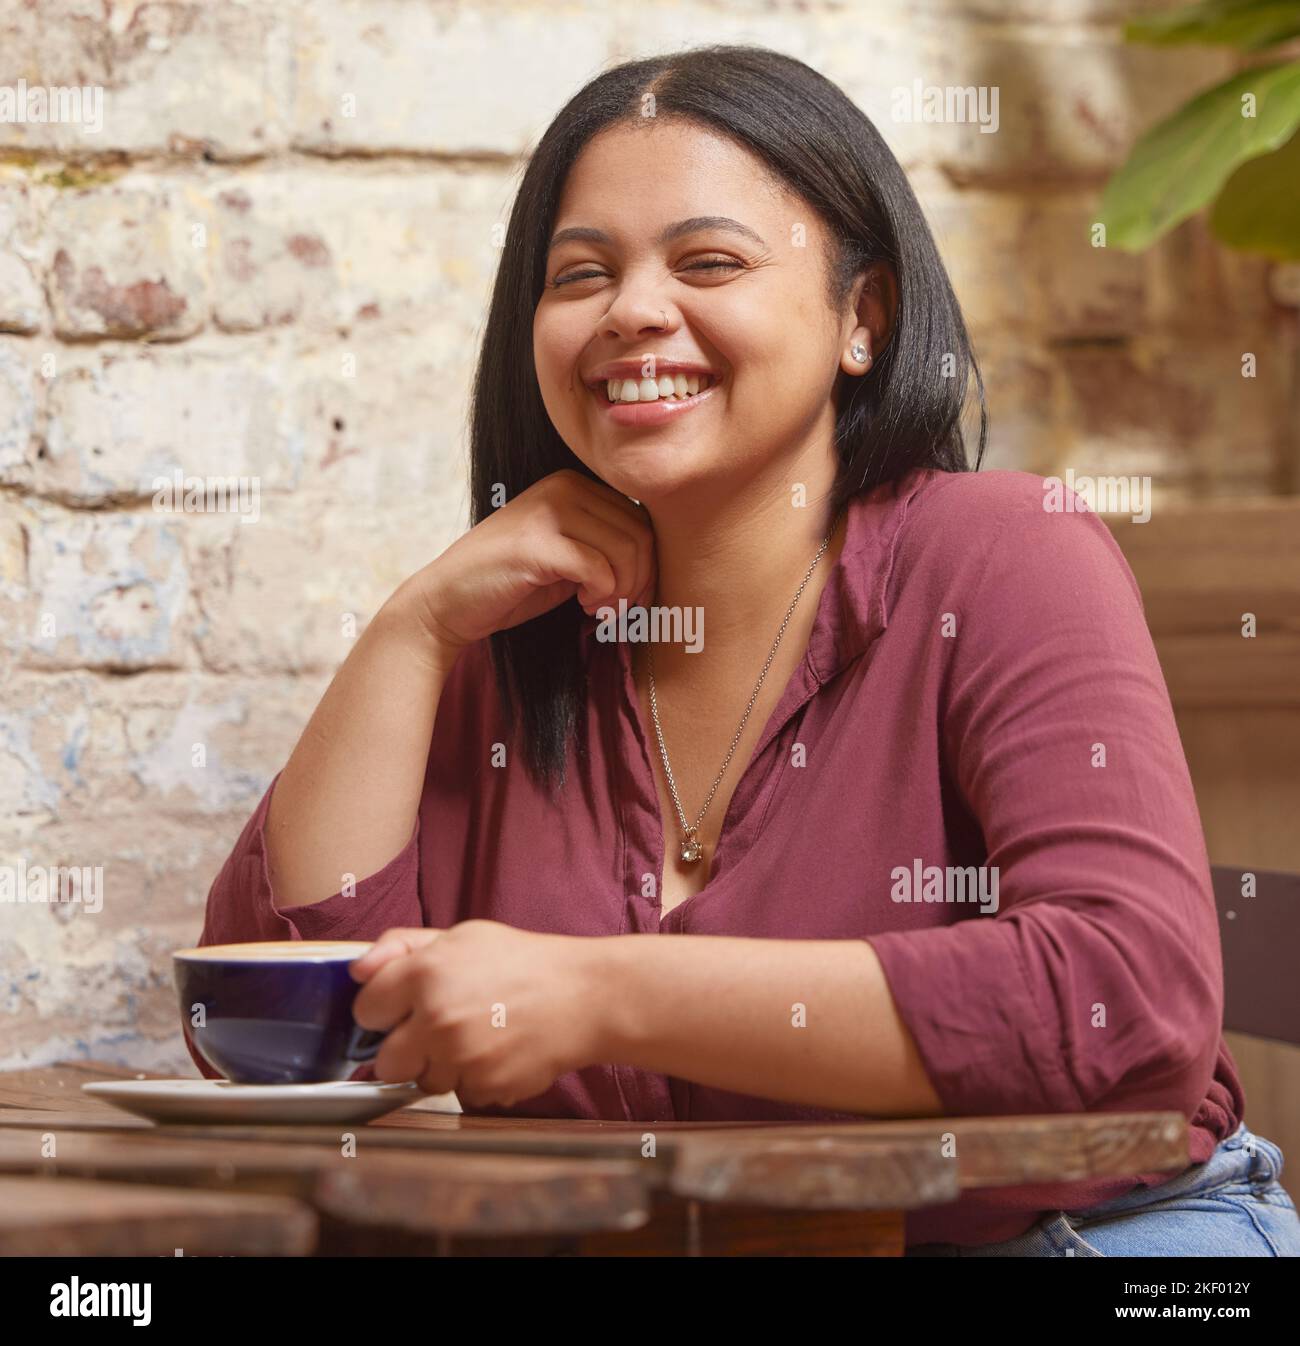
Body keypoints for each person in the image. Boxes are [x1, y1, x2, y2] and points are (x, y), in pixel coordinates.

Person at [187, 44, 1299, 1255]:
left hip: (1084, 1235)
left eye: (708, 260)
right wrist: (411, 629)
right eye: (580, 274)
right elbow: (286, 1026)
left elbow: (1126, 1005)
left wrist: (597, 993)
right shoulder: (504, 644)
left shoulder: (1000, 556)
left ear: (859, 319)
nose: (632, 310)